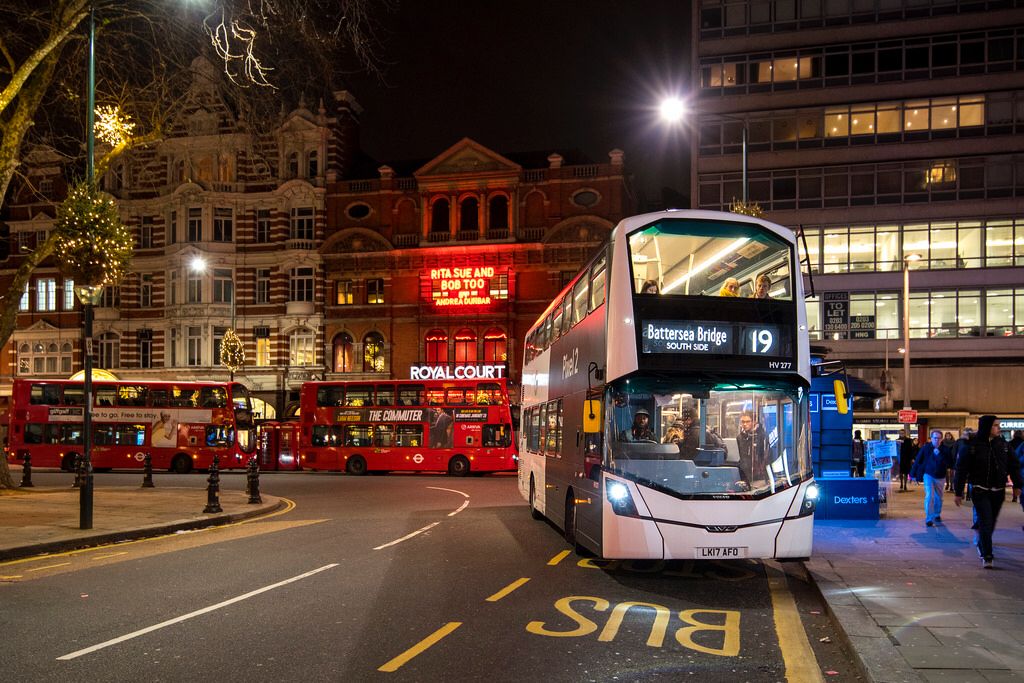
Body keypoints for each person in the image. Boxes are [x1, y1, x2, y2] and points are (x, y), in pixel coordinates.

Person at [954, 415, 1022, 568]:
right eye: (995, 425)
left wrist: (1018, 485)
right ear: (986, 427)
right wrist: (958, 492)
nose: (999, 428)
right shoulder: (972, 446)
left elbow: (1014, 466)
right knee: (986, 521)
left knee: (990, 523)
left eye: (998, 425)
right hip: (980, 490)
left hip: (998, 491)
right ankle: (988, 555)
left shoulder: (1003, 445)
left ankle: (981, 537)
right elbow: (961, 469)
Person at [909, 429, 955, 527]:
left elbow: (950, 463)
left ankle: (937, 514)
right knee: (930, 496)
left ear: (941, 439)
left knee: (939, 498)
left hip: (941, 476)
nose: (937, 440)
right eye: (935, 438)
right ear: (931, 438)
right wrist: (912, 474)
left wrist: (940, 455)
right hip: (928, 475)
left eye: (939, 438)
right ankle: (929, 518)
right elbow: (918, 460)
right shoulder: (926, 448)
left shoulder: (945, 449)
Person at [737, 411, 768, 481]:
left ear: (754, 422)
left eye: (748, 422)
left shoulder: (761, 436)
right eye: (743, 422)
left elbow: (765, 457)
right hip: (743, 473)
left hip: (758, 475)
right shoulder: (739, 437)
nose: (745, 424)